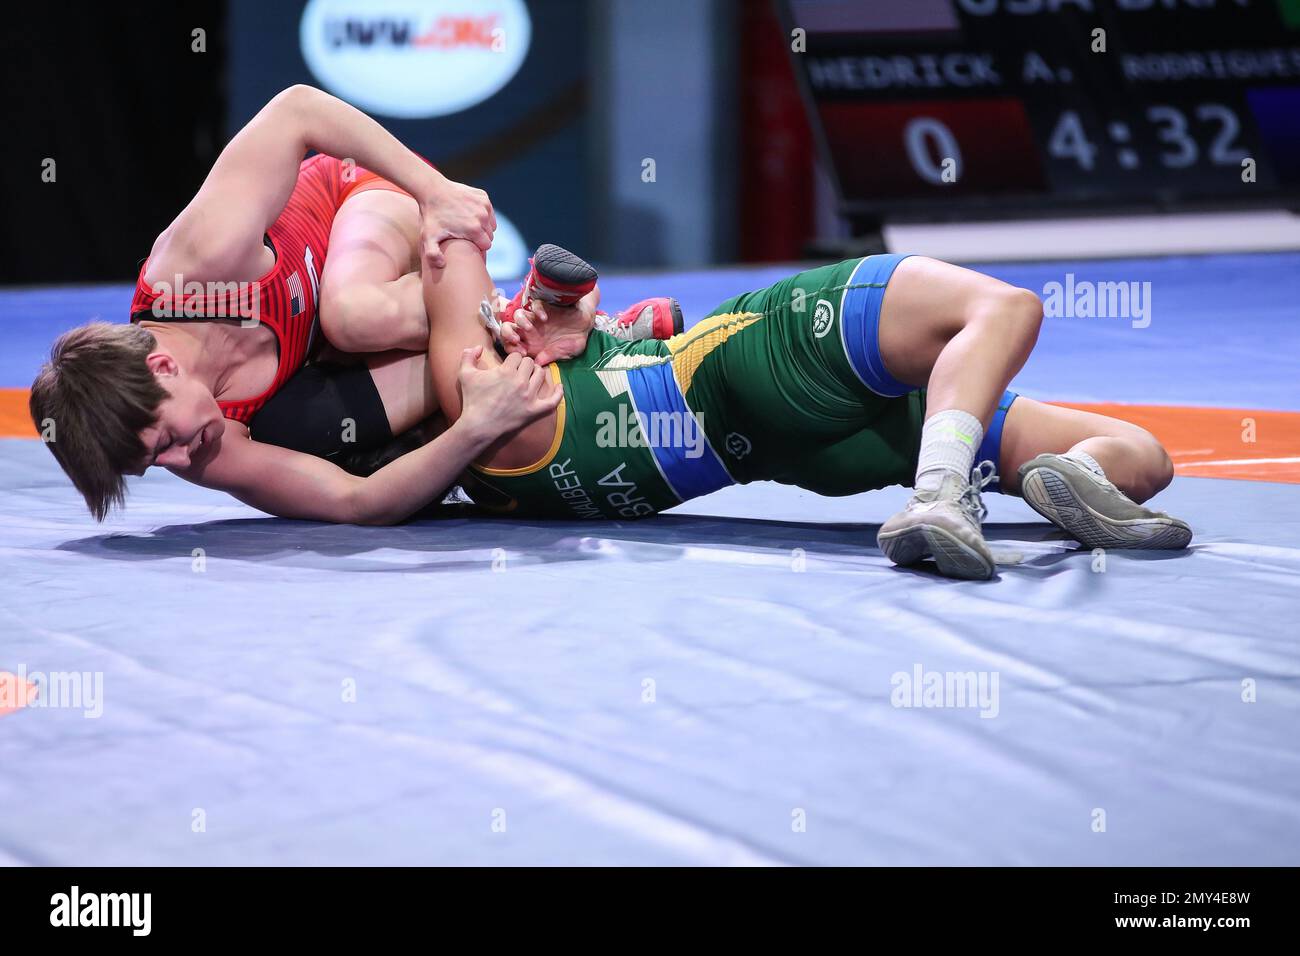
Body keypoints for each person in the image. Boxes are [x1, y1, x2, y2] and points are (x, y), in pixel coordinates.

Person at [419, 241, 1191, 580]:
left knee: (1136, 454)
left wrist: (582, 325)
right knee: (1008, 308)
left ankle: (1071, 472)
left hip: (794, 451)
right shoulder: (488, 385)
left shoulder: (500, 444)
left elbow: (367, 496)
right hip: (762, 361)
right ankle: (942, 494)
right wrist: (375, 197)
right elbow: (450, 220)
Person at [28, 85, 564, 523]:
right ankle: (524, 329)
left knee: (354, 315)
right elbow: (353, 502)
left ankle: (522, 310)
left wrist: (434, 192)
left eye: (165, 441)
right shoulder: (202, 447)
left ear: (162, 366)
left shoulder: (199, 263)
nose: (180, 462)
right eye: (154, 462)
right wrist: (474, 428)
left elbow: (298, 109)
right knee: (454, 421)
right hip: (377, 326)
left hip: (361, 201)